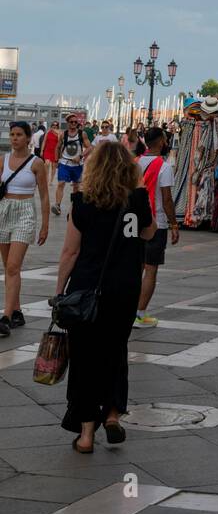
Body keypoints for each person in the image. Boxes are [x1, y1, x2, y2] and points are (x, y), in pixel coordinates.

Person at [53, 140, 156, 451]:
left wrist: (59, 292)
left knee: (84, 358)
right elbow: (149, 234)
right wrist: (137, 187)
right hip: (124, 288)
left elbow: (70, 252)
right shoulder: (136, 199)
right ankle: (112, 415)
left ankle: (86, 435)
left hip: (86, 289)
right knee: (115, 350)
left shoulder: (82, 202)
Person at [0, 122, 50, 336]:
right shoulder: (2, 160)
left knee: (13, 266)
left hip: (25, 212)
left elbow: (44, 195)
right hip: (4, 211)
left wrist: (45, 225)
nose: (15, 138)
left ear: (29, 138)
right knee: (8, 268)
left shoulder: (37, 163)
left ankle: (6, 317)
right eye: (12, 134)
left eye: (19, 134)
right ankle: (17, 311)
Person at [134, 126, 179, 328]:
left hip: (133, 223)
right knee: (150, 270)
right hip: (156, 223)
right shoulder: (164, 166)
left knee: (135, 268)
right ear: (161, 141)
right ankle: (140, 313)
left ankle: (127, 309)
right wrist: (174, 224)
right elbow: (167, 199)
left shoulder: (134, 163)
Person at [52, 115, 88, 216]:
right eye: (71, 122)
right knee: (61, 183)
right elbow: (57, 147)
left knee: (76, 186)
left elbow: (90, 147)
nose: (73, 124)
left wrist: (80, 156)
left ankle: (74, 207)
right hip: (64, 162)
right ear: (68, 123)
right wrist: (56, 160)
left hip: (77, 164)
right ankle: (57, 205)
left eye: (75, 122)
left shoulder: (82, 134)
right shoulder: (64, 134)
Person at [41, 121, 60, 186]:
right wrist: (42, 150)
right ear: (51, 126)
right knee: (47, 164)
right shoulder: (48, 132)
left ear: (57, 126)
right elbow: (44, 141)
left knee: (53, 167)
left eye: (56, 125)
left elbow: (61, 142)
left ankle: (51, 181)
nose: (54, 126)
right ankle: (46, 179)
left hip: (55, 152)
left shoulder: (59, 133)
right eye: (53, 125)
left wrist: (58, 134)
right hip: (47, 150)